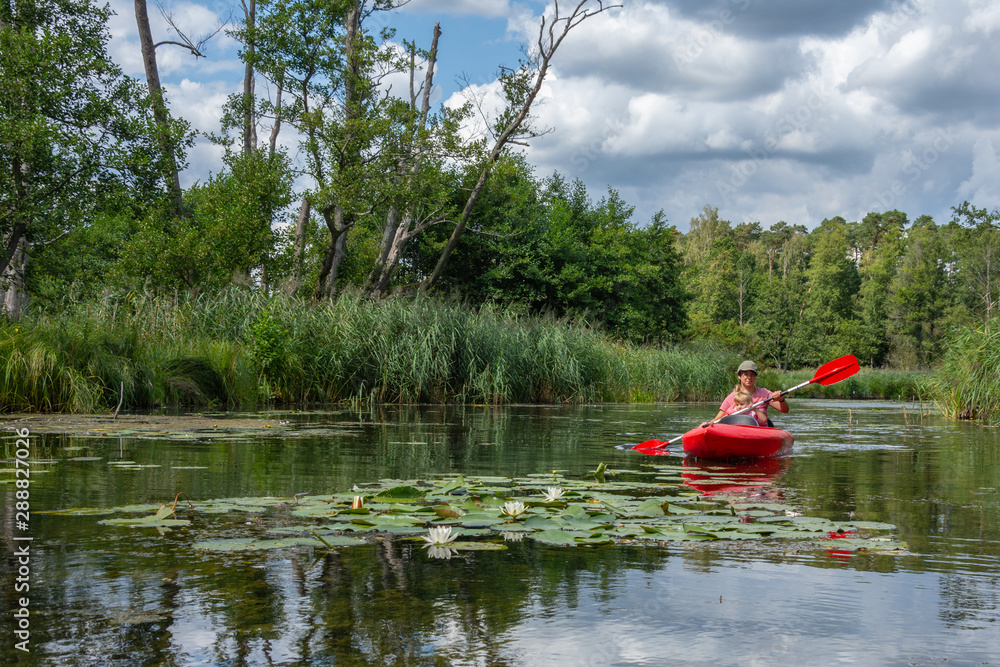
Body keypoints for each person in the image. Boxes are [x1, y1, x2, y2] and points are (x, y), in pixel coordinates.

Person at [702, 360, 788, 427]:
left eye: (752, 375)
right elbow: (718, 418)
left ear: (755, 377)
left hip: (759, 430)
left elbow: (785, 410)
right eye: (745, 374)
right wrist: (707, 424)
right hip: (737, 430)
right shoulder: (733, 396)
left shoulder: (764, 393)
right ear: (739, 376)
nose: (749, 377)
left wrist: (781, 399)